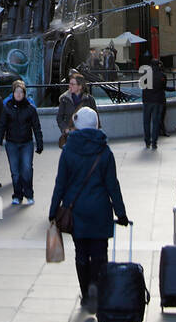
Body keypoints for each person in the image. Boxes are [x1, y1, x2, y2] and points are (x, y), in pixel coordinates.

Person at [47, 106, 128, 311]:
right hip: (100, 208)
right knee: (100, 252)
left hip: (77, 209)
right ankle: (97, 288)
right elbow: (113, 184)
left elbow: (60, 184)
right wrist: (121, 212)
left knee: (81, 252)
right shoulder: (104, 151)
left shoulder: (68, 150)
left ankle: (85, 294)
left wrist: (53, 210)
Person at [0, 79, 43, 206]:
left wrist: (39, 143)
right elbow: (2, 126)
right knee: (15, 171)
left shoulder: (30, 108)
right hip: (11, 143)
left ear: (24, 93)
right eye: (16, 92)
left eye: (21, 92)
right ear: (13, 93)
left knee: (27, 169)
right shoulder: (7, 108)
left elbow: (36, 127)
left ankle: (29, 194)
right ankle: (17, 195)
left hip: (26, 143)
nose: (18, 94)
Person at [56, 74, 98, 147]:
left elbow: (96, 117)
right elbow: (59, 118)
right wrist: (65, 129)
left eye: (72, 84)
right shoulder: (64, 99)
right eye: (69, 83)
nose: (69, 86)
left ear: (80, 86)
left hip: (86, 136)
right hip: (71, 136)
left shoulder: (90, 99)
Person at [140, 53, 166, 150]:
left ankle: (147, 141)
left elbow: (142, 86)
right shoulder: (162, 75)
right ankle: (154, 142)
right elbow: (163, 88)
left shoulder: (145, 74)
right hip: (158, 101)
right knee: (155, 122)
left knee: (146, 122)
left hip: (147, 101)